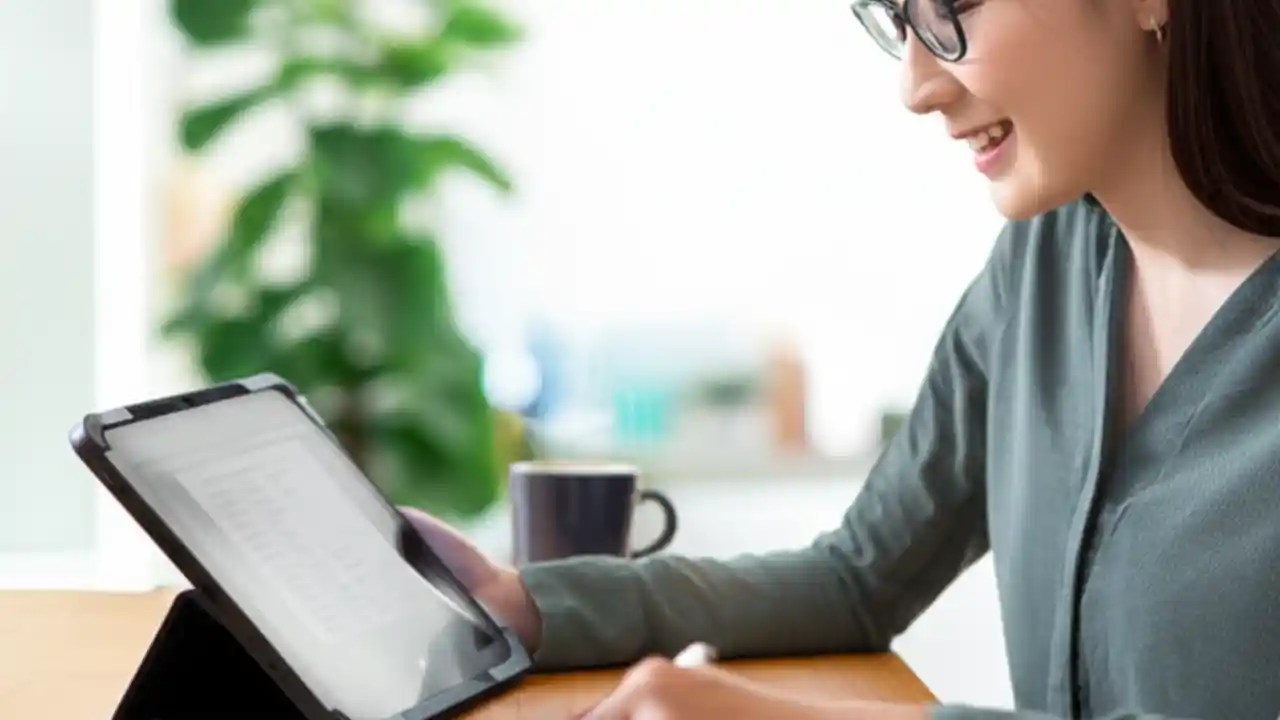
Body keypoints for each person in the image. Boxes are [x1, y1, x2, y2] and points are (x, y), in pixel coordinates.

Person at [404, 0, 1280, 716]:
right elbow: (857, 577)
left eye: (950, 8)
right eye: (893, 17)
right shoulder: (1043, 269)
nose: (916, 84)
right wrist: (530, 602)